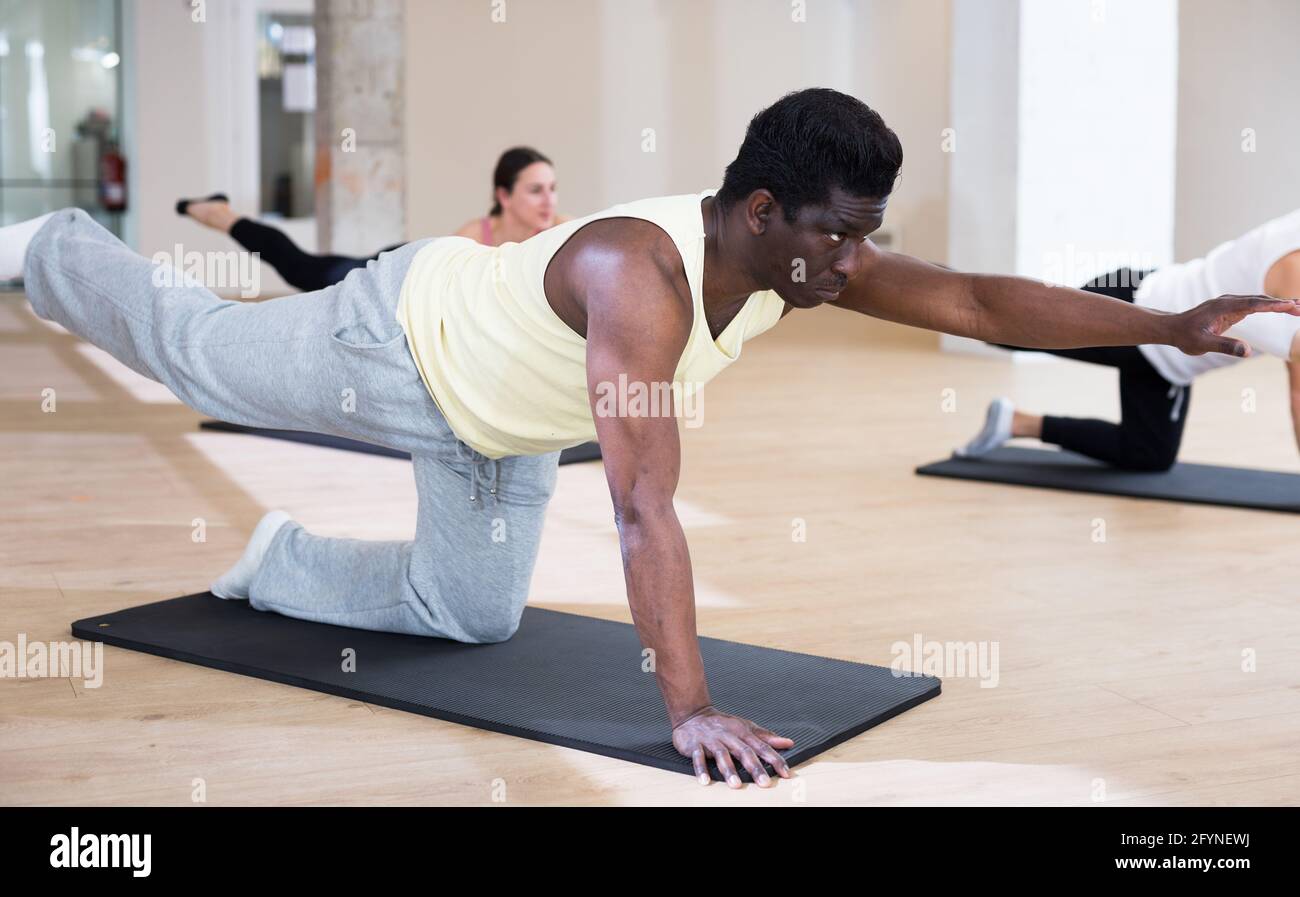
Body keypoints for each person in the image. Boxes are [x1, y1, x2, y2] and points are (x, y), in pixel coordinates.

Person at [4, 88, 1296, 789]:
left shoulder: (802, 262)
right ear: (759, 207)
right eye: (835, 233)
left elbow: (973, 297)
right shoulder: (642, 281)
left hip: (508, 415)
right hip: (397, 348)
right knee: (195, 349)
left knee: (466, 616)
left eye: (865, 234)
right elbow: (640, 509)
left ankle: (279, 556)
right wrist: (686, 710)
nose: (853, 261)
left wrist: (1168, 317)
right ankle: (48, 247)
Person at [956, 212, 1300, 470]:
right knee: (1000, 327)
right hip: (1136, 309)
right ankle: (931, 284)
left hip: (1170, 360)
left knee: (1150, 456)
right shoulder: (1293, 268)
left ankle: (1012, 422)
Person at [176, 146, 569, 291]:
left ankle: (219, 211)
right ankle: (219, 214)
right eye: (535, 190)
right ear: (503, 195)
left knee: (313, 265)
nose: (547, 200)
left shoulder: (563, 233)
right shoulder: (476, 236)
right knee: (303, 269)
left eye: (551, 188)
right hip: (396, 271)